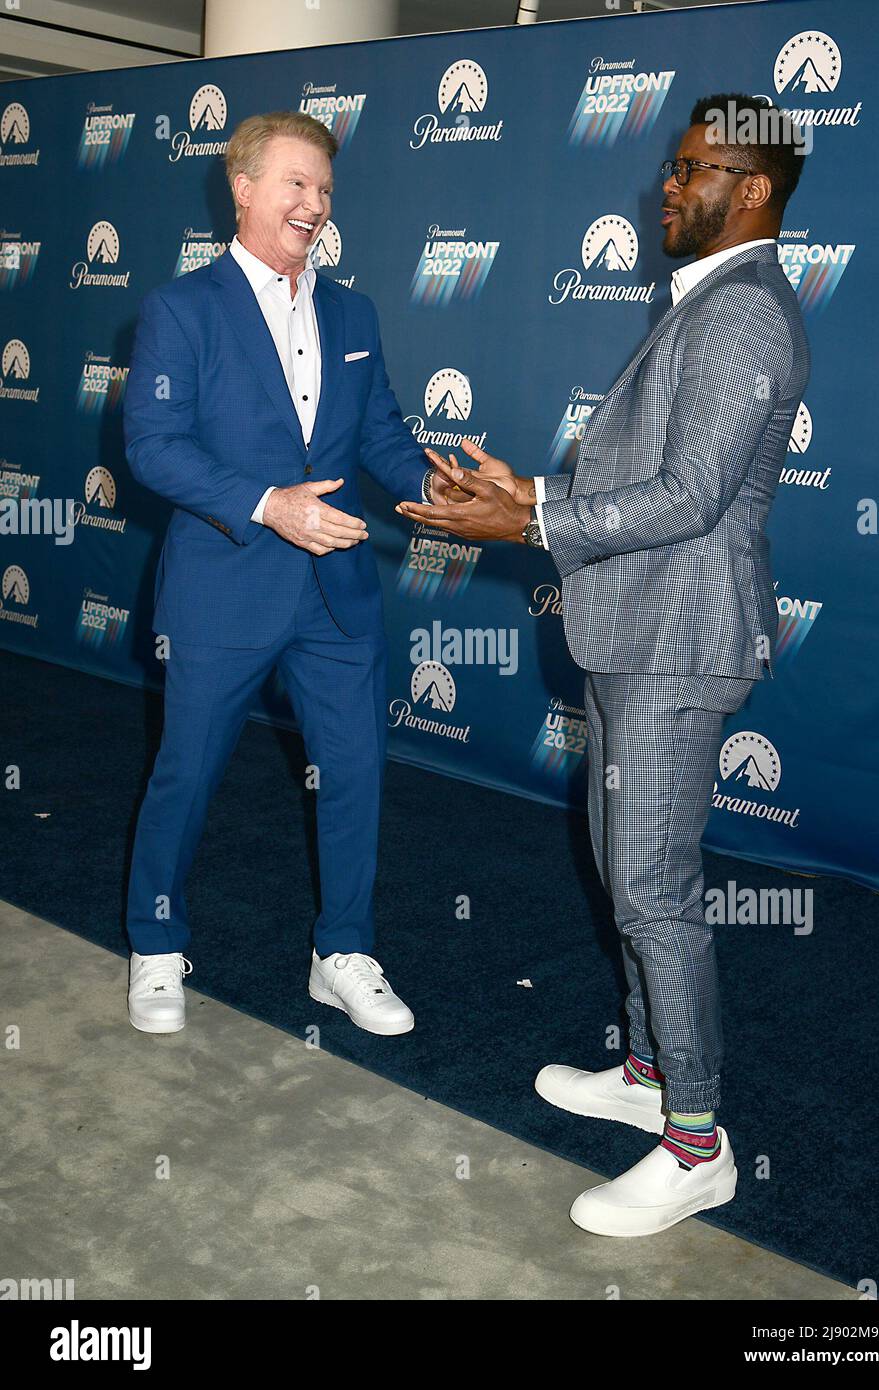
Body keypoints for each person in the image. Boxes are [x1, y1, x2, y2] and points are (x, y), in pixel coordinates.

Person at [396, 94, 810, 1236]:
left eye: (689, 171)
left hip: (678, 639)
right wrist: (526, 492)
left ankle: (697, 1143)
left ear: (754, 190)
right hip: (635, 629)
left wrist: (526, 527)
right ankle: (644, 1076)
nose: (664, 188)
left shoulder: (741, 315)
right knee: (618, 868)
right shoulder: (709, 300)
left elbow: (689, 497)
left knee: (653, 891)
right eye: (671, 169)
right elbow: (660, 474)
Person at [123, 111, 453, 1039]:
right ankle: (156, 943)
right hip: (223, 586)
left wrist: (441, 489)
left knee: (352, 773)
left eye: (325, 190)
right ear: (244, 189)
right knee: (186, 772)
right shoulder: (180, 309)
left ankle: (341, 951)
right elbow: (152, 448)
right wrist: (270, 503)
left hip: (335, 590)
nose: (314, 204)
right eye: (297, 184)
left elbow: (379, 433)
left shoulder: (353, 311)